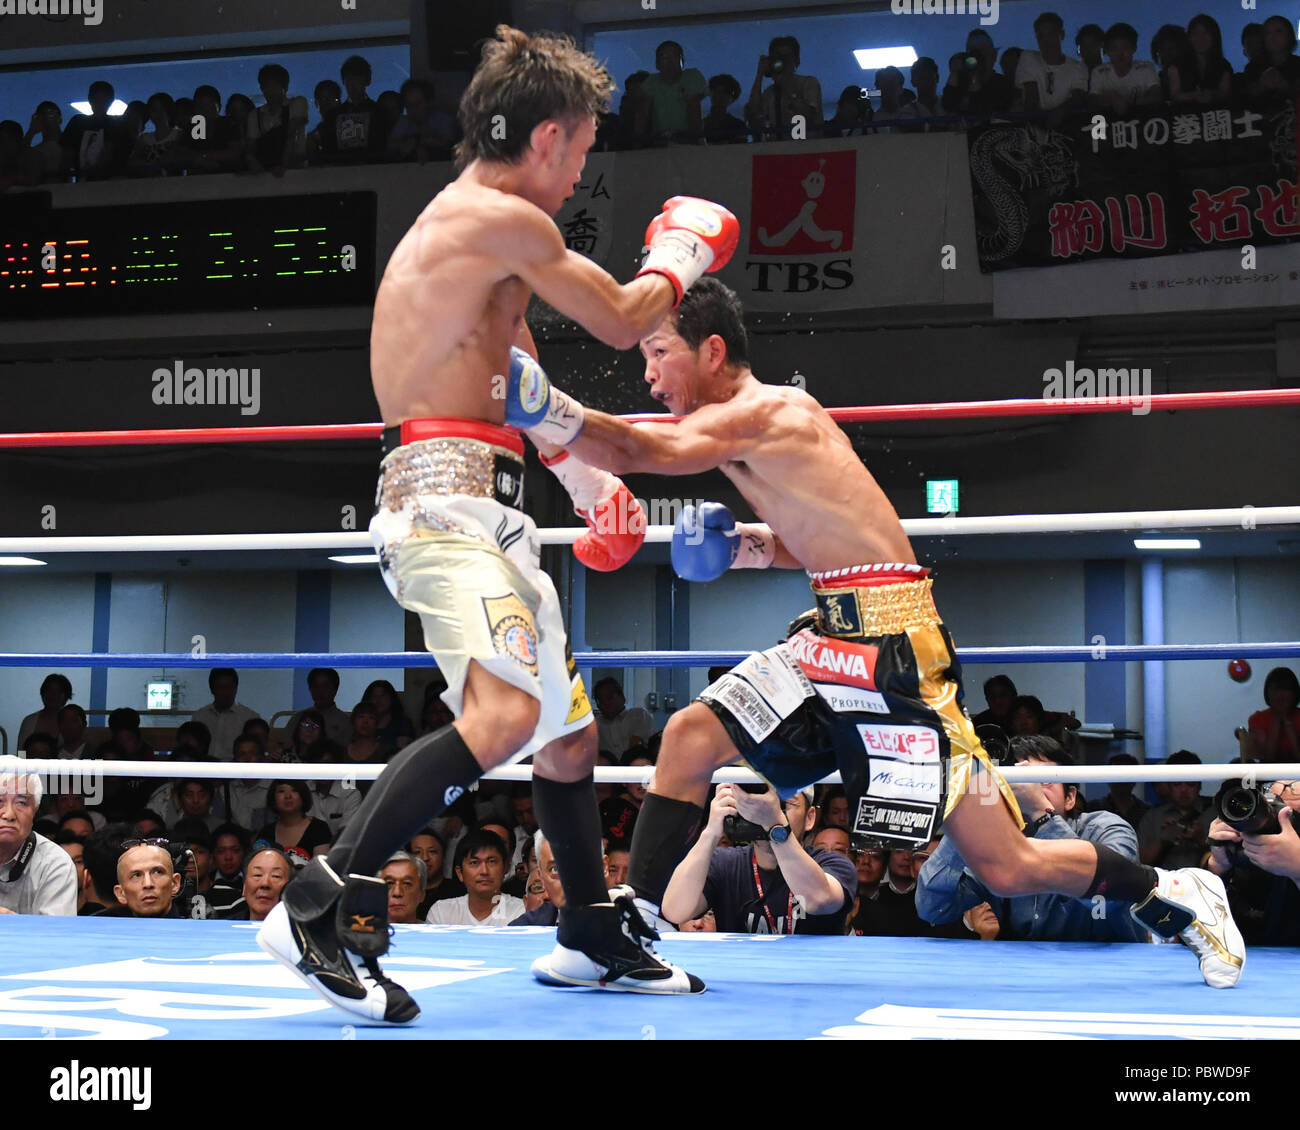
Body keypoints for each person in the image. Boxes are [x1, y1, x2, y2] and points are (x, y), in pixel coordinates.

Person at [522, 276, 1244, 989]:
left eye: (656, 353)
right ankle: (633, 924)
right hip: (826, 638)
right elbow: (815, 542)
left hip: (897, 655)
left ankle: (1172, 893)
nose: (648, 378)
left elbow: (641, 451)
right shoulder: (752, 425)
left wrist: (535, 402)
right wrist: (741, 547)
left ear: (712, 350)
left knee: (1005, 865)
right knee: (688, 734)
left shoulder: (767, 411)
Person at [257, 24, 739, 1022]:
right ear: (553, 136)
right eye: (584, 149)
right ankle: (316, 902)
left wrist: (582, 481)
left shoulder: (489, 259)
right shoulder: (489, 217)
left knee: (566, 737)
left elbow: (520, 388)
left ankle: (588, 929)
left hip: (496, 512)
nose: (580, 175)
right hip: (443, 512)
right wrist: (682, 252)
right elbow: (619, 316)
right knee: (507, 715)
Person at [918, 736, 1145, 942]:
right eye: (1019, 780)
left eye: (1044, 780)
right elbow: (933, 908)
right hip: (1026, 975)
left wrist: (1041, 813)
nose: (1031, 787)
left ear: (1070, 798)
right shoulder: (996, 848)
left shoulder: (1107, 828)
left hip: (1109, 973)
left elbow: (1110, 899)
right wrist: (966, 814)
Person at [663, 785, 855, 933]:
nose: (769, 811)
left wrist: (775, 825)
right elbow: (675, 911)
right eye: (761, 805)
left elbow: (819, 900)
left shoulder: (834, 863)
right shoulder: (725, 863)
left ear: (810, 817)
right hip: (742, 977)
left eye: (785, 804)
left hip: (812, 978)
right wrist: (711, 832)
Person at [0, 759, 77, 916]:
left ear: (35, 810)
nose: (8, 814)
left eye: (21, 803)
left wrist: (12, 925)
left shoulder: (56, 863)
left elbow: (56, 936)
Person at [425, 830, 526, 925]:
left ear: (505, 868)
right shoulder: (441, 913)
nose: (484, 871)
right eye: (474, 863)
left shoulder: (521, 912)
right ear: (460, 873)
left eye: (491, 861)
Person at [1138, 751, 1213, 870]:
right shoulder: (1153, 817)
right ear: (1168, 786)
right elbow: (1139, 861)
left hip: (1207, 883)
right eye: (1177, 783)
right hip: (1164, 884)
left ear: (1199, 785)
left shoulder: (1214, 814)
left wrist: (1202, 839)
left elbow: (1228, 859)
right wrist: (1163, 841)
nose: (1184, 790)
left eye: (1190, 783)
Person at [745, 35, 823, 140]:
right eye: (777, 57)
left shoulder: (808, 83)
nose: (782, 62)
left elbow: (808, 116)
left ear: (797, 60)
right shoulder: (770, 93)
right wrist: (760, 74)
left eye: (787, 57)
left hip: (808, 148)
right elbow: (754, 116)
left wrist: (785, 83)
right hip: (777, 150)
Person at [191, 668, 259, 760]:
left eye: (229, 688)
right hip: (204, 767)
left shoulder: (249, 717)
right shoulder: (199, 717)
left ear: (236, 689)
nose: (226, 693)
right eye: (221, 688)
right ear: (212, 689)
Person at [256, 781, 332, 859]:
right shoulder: (266, 832)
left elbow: (321, 867)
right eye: (281, 791)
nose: (288, 796)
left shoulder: (319, 828)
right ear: (273, 799)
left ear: (303, 796)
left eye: (294, 790)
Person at [109, 841, 182, 918]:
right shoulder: (99, 928)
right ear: (120, 893)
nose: (148, 884)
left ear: (175, 883)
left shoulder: (194, 928)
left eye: (157, 872)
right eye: (136, 875)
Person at [1245, 667, 1300, 762]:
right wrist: (1276, 722)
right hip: (1267, 773)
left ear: (1295, 693)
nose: (1280, 695)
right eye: (1275, 689)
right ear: (1267, 692)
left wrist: (1288, 723)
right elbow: (1267, 759)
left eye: (1285, 689)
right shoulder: (1257, 719)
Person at [408, 828, 464, 917]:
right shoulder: (404, 893)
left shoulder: (459, 892)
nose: (425, 858)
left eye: (432, 851)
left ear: (443, 856)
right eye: (417, 852)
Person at [593, 677, 654, 758]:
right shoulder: (595, 725)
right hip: (606, 768)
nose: (606, 703)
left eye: (609, 697)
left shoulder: (638, 715)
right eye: (601, 700)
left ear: (622, 697)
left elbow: (636, 747)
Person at [17, 673, 72, 749]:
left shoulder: (71, 722)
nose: (52, 695)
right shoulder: (29, 721)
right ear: (42, 693)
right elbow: (21, 751)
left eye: (57, 691)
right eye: (49, 690)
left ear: (66, 696)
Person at [381, 852, 427, 924]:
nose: (397, 893)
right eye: (389, 883)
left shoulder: (435, 934)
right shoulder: (361, 933)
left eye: (407, 883)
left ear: (421, 894)